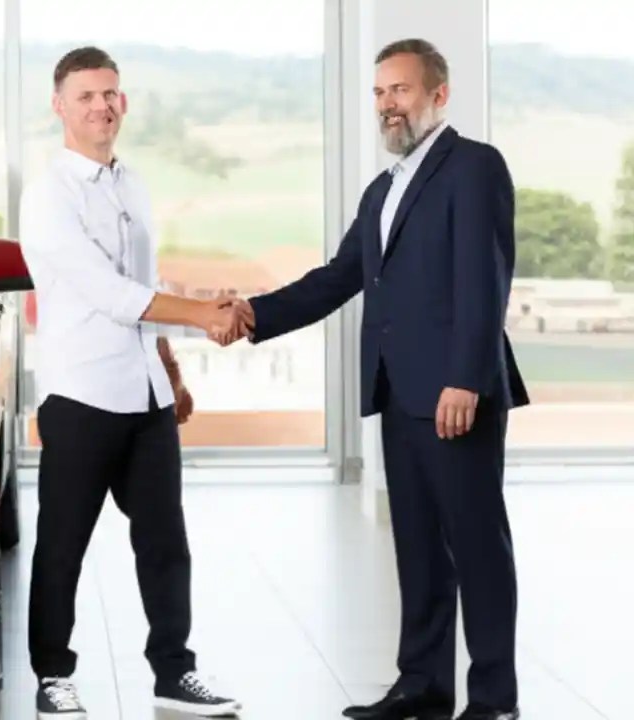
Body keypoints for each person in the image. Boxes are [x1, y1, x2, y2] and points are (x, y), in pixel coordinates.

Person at [221, 39, 527, 720]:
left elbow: (485, 280)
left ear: (438, 95)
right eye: (380, 92)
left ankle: (495, 700)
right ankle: (422, 685)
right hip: (397, 393)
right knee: (418, 549)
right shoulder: (383, 189)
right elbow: (338, 279)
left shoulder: (474, 167)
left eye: (402, 90)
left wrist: (466, 379)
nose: (389, 105)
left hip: (455, 395)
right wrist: (252, 315)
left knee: (476, 547)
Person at [18, 46, 243, 718]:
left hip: (144, 395)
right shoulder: (46, 196)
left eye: (111, 94)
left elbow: (144, 288)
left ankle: (175, 673)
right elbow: (108, 293)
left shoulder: (133, 183)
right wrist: (206, 315)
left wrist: (169, 369)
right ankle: (53, 674)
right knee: (63, 544)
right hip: (82, 397)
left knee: (165, 542)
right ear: (59, 106)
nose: (102, 106)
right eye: (86, 96)